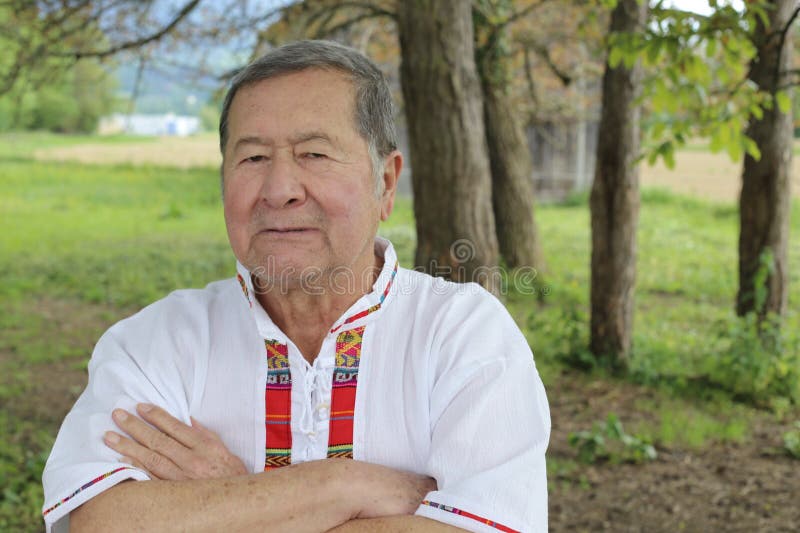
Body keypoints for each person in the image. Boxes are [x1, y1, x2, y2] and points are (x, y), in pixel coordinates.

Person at [42, 40, 550, 533]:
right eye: (254, 158)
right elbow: (101, 523)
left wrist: (232, 496)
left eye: (313, 154)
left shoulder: (462, 334)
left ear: (387, 184)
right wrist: (341, 487)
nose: (280, 190)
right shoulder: (157, 342)